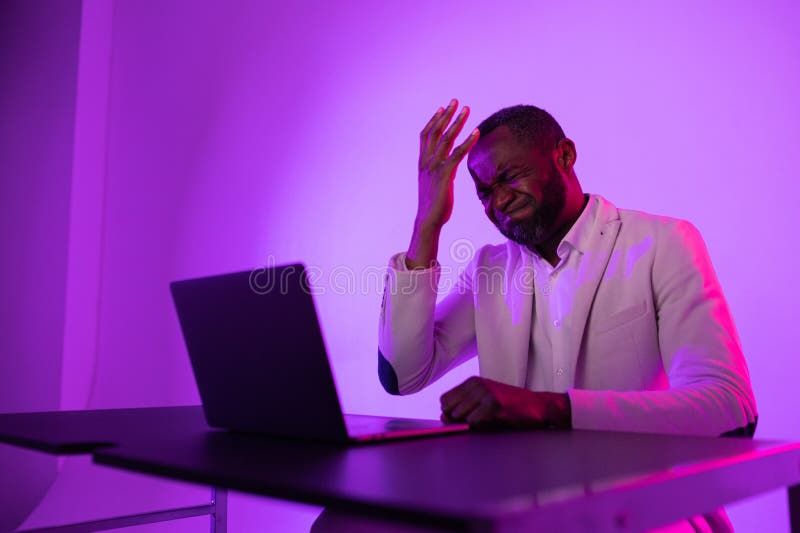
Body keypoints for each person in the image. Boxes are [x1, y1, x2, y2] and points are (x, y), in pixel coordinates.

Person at [373, 100, 757, 531]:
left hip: (644, 511)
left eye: (510, 176)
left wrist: (550, 408)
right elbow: (401, 375)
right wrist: (428, 222)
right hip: (522, 513)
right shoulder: (489, 269)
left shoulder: (662, 243)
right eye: (484, 192)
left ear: (565, 155)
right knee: (349, 524)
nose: (499, 200)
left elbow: (731, 408)